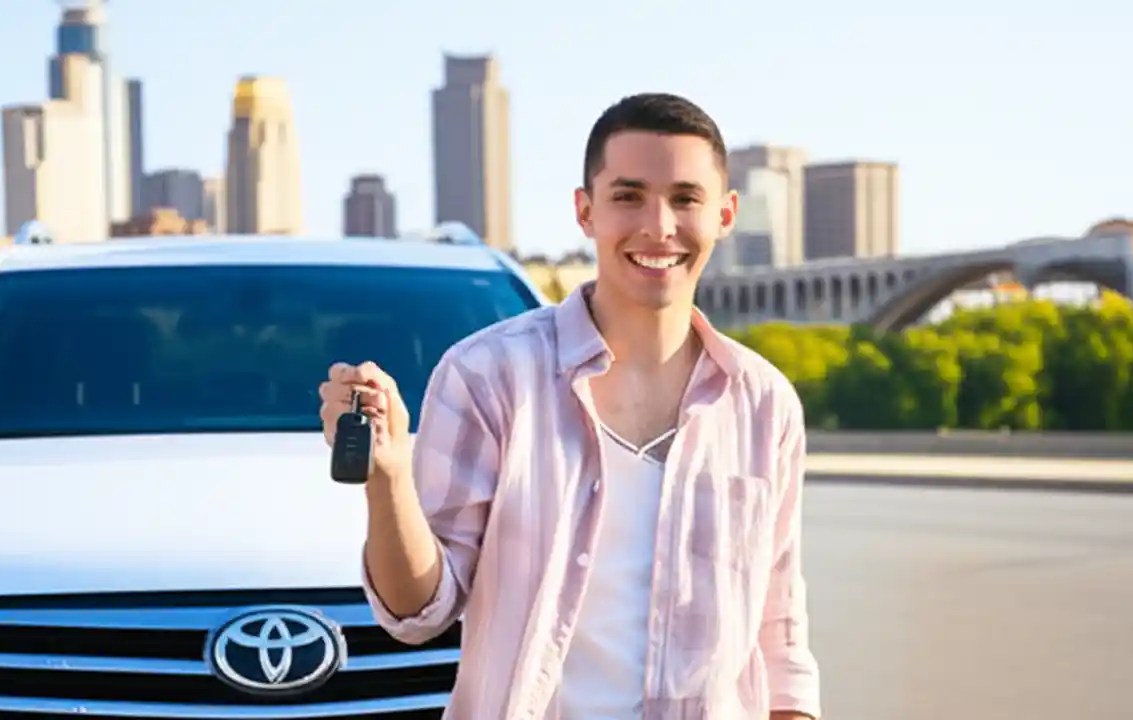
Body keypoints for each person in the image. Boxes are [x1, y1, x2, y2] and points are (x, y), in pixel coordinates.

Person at [319, 92, 820, 720]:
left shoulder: (764, 402)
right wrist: (387, 479)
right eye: (628, 195)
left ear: (725, 214)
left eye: (686, 198)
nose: (659, 226)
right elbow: (419, 612)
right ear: (586, 212)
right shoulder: (488, 377)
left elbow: (779, 629)